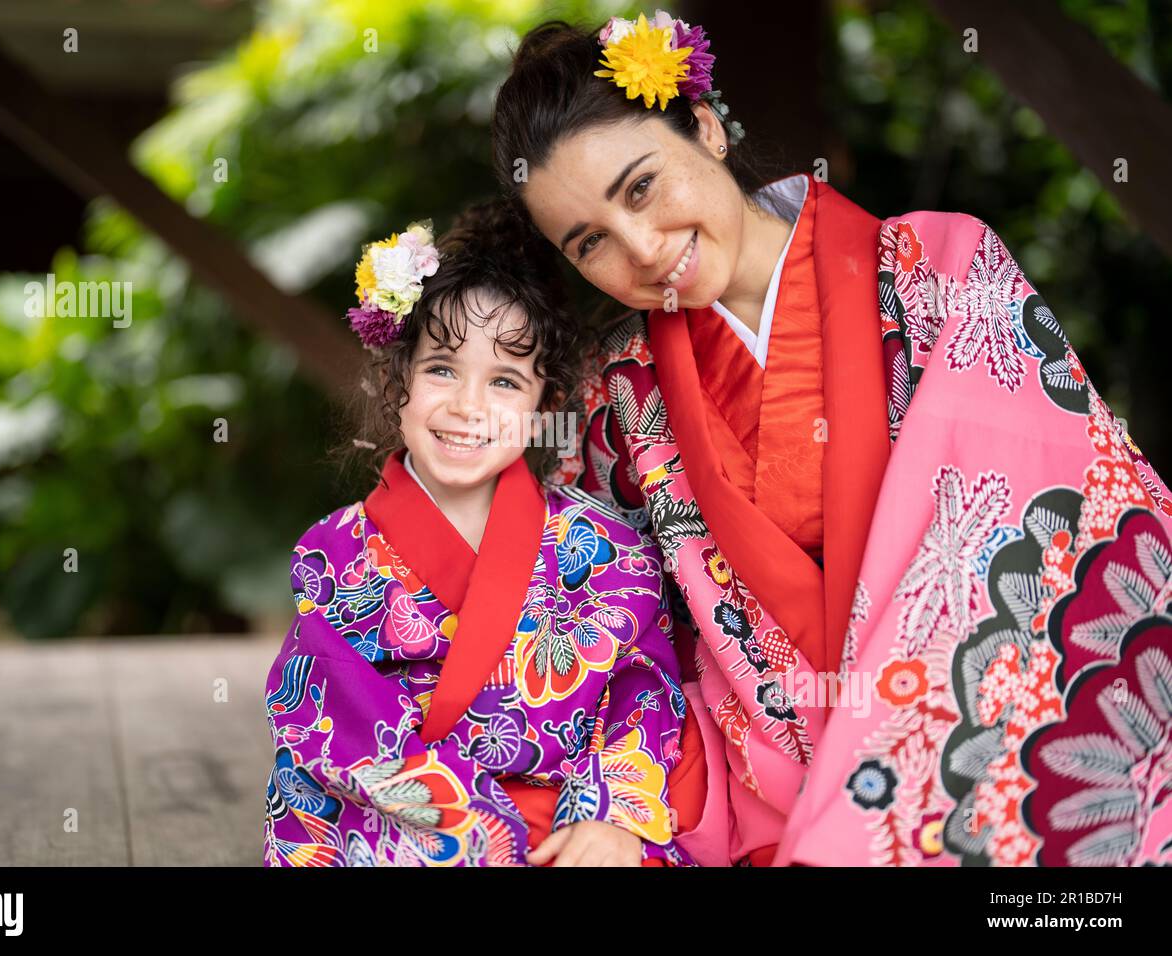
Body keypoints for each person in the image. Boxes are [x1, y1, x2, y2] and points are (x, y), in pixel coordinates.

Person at [490, 11, 1172, 866]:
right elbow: (623, 641)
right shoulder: (617, 399)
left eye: (641, 187)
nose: (641, 248)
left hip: (983, 730)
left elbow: (1055, 515)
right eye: (588, 241)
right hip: (756, 785)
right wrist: (617, 805)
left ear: (702, 125)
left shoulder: (940, 269)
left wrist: (875, 745)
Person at [262, 200, 717, 867]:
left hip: (566, 825)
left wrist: (611, 820)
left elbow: (640, 689)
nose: (468, 407)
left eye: (505, 381)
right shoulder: (332, 552)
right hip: (398, 828)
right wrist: (476, 836)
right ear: (400, 380)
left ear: (544, 407)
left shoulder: (606, 551)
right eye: (442, 368)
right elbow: (326, 721)